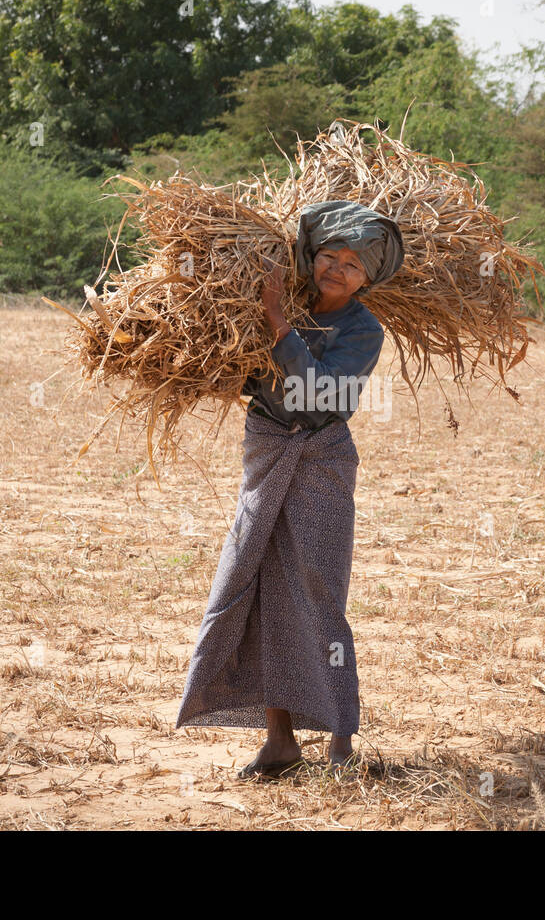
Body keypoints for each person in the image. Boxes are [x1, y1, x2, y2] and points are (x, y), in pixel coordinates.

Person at [174, 199, 405, 778]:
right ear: (311, 256)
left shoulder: (362, 329)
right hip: (265, 452)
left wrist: (277, 322)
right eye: (330, 255)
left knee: (317, 590)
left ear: (368, 279)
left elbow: (324, 396)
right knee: (252, 586)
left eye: (354, 265)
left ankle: (342, 740)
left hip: (319, 464)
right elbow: (244, 373)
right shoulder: (283, 302)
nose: (339, 269)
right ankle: (280, 742)